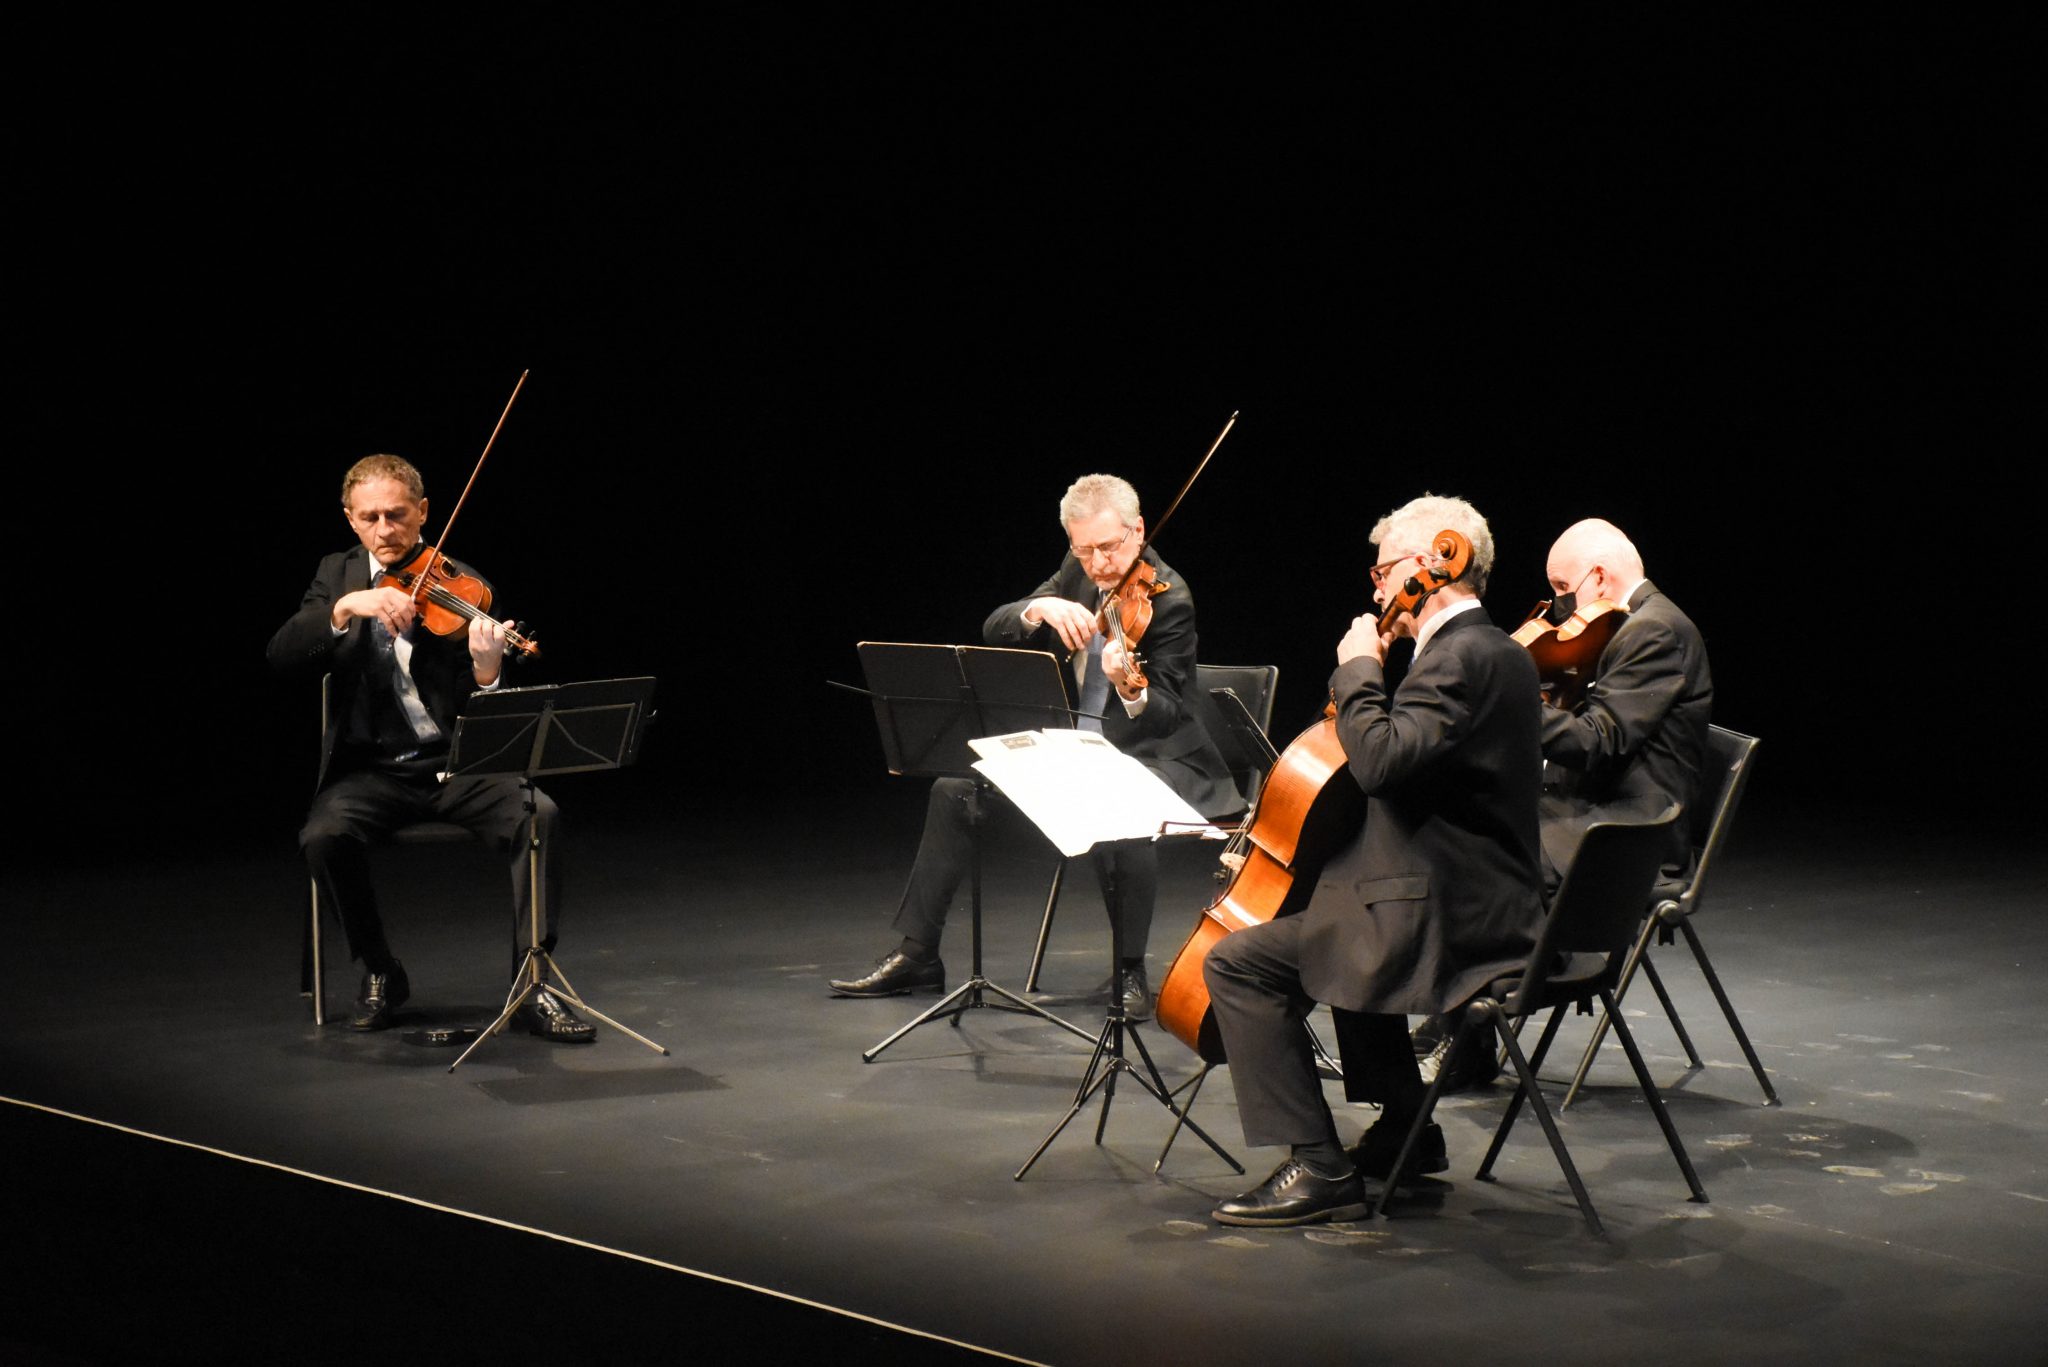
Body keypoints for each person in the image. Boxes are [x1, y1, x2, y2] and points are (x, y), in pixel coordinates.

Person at [1202, 493, 1545, 1226]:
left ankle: (1320, 1165)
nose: (1378, 588)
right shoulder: (1494, 651)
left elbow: (1383, 762)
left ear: (1432, 562)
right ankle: (1406, 1128)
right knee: (1343, 908)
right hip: (1474, 897)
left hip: (1455, 922)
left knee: (1239, 962)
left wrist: (1357, 669)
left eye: (1384, 570)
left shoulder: (1460, 656)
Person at [830, 473, 1238, 1019]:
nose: (1097, 565)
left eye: (1109, 548)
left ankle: (1130, 969)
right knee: (954, 790)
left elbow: (1164, 713)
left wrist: (1128, 685)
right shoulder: (1076, 572)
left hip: (1156, 756)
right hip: (1072, 752)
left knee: (1126, 805)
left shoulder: (1172, 598)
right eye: (1083, 550)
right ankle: (918, 953)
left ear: (1138, 530)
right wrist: (1036, 611)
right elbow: (995, 625)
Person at [267, 454, 592, 1040]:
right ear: (350, 519)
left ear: (423, 513)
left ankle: (532, 983)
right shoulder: (335, 576)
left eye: (396, 515)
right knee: (322, 836)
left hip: (457, 765)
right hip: (372, 771)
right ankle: (381, 970)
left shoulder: (462, 584)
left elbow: (482, 704)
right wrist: (344, 609)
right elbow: (283, 654)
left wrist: (489, 671)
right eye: (369, 518)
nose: (384, 530)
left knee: (537, 816)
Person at [1412, 517, 1714, 1091]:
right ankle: (1458, 1021)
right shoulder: (1629, 627)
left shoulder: (1655, 631)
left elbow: (1598, 742)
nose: (1556, 606)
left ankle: (1468, 1030)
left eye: (1560, 588)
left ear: (1597, 576)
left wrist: (1512, 700)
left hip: (1632, 833)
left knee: (1491, 857)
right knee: (1476, 832)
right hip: (1602, 812)